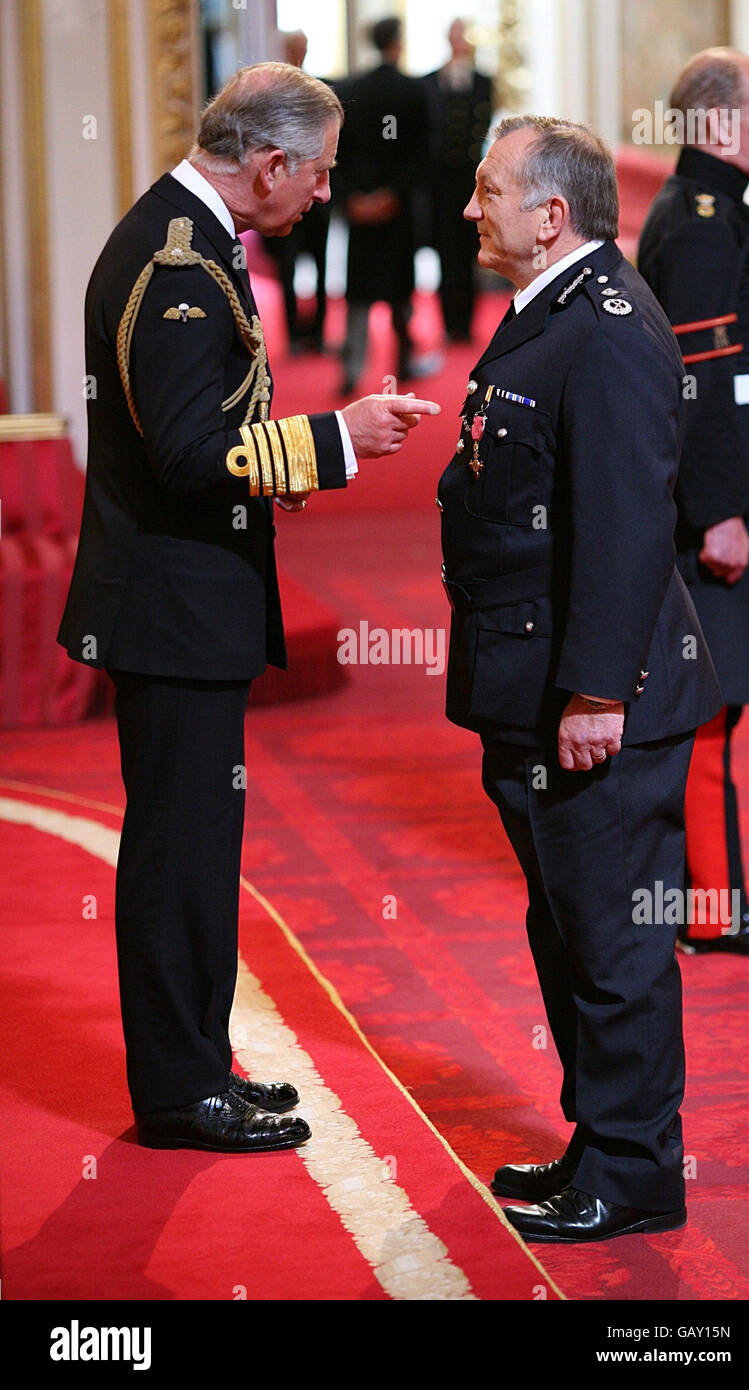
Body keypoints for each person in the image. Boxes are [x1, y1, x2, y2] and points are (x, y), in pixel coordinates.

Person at [58, 61, 439, 1154]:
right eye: (316, 175)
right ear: (268, 163)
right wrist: (337, 441)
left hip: (187, 599)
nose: (323, 195)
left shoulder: (192, 231)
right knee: (179, 851)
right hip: (172, 606)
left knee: (197, 843)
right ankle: (180, 1091)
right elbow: (187, 454)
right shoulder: (177, 261)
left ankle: (197, 1056)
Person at [438, 116, 722, 1242]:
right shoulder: (556, 309)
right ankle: (598, 1142)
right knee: (570, 935)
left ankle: (637, 1168)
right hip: (536, 688)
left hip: (597, 704)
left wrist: (597, 693)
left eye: (487, 191)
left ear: (551, 214)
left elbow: (621, 528)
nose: (470, 209)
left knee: (613, 948)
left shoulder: (602, 326)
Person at [639, 49, 749, 956]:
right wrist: (719, 510)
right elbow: (700, 380)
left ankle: (712, 898)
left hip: (747, 484)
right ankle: (705, 904)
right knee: (709, 707)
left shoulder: (717, 211)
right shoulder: (695, 224)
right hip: (723, 501)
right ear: (719, 123)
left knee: (720, 705)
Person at [337, 16, 431, 394]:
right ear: (397, 42)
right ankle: (403, 362)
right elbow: (424, 152)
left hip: (360, 210)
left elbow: (336, 153)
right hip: (399, 209)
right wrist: (393, 194)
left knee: (358, 293)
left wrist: (353, 200)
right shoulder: (414, 91)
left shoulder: (352, 89)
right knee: (399, 288)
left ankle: (351, 369)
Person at [423, 20, 492, 341]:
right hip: (440, 185)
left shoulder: (481, 82)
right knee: (445, 253)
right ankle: (448, 323)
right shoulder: (433, 81)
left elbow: (482, 127)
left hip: (471, 181)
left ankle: (465, 323)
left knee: (470, 251)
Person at [264, 30, 332, 354]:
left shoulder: (323, 92)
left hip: (317, 204)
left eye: (302, 46)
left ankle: (317, 333)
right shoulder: (273, 97)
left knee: (320, 264)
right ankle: (293, 333)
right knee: (287, 266)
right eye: (293, 47)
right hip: (283, 196)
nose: (298, 51)